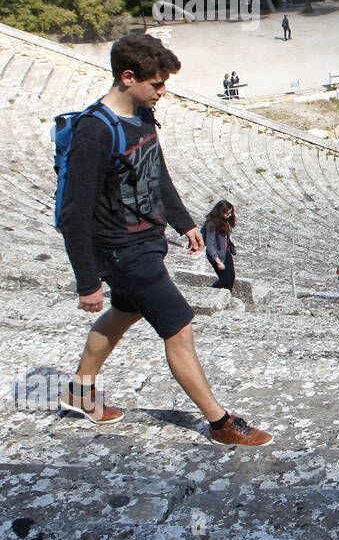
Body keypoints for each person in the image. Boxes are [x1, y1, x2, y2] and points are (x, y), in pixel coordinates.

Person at [57, 32, 271, 445]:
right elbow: (73, 214)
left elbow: (157, 173)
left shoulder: (140, 114)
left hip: (145, 241)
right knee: (180, 327)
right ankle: (220, 423)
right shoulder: (94, 132)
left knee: (123, 314)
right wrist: (87, 281)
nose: (163, 91)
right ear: (128, 77)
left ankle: (79, 392)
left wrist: (184, 223)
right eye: (157, 83)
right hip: (122, 250)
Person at [204, 200, 237, 291]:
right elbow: (210, 245)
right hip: (216, 256)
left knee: (231, 278)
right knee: (224, 280)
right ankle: (208, 292)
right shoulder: (211, 224)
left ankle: (228, 296)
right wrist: (218, 261)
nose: (230, 215)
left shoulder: (224, 221)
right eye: (228, 213)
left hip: (226, 253)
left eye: (231, 212)